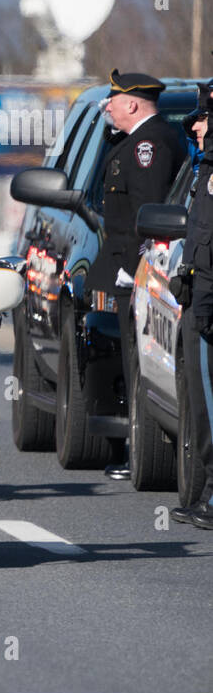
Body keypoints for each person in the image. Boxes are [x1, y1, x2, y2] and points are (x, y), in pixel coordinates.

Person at [88, 71, 184, 412]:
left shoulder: (150, 144)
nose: (108, 109)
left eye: (112, 102)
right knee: (123, 360)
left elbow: (147, 213)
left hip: (135, 272)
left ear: (131, 103)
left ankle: (134, 443)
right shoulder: (132, 141)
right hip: (122, 266)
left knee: (137, 363)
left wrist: (133, 268)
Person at [175, 83, 213, 530]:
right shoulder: (205, 170)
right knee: (201, 403)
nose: (197, 126)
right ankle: (206, 493)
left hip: (207, 299)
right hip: (199, 293)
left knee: (207, 403)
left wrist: (201, 299)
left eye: (203, 118)